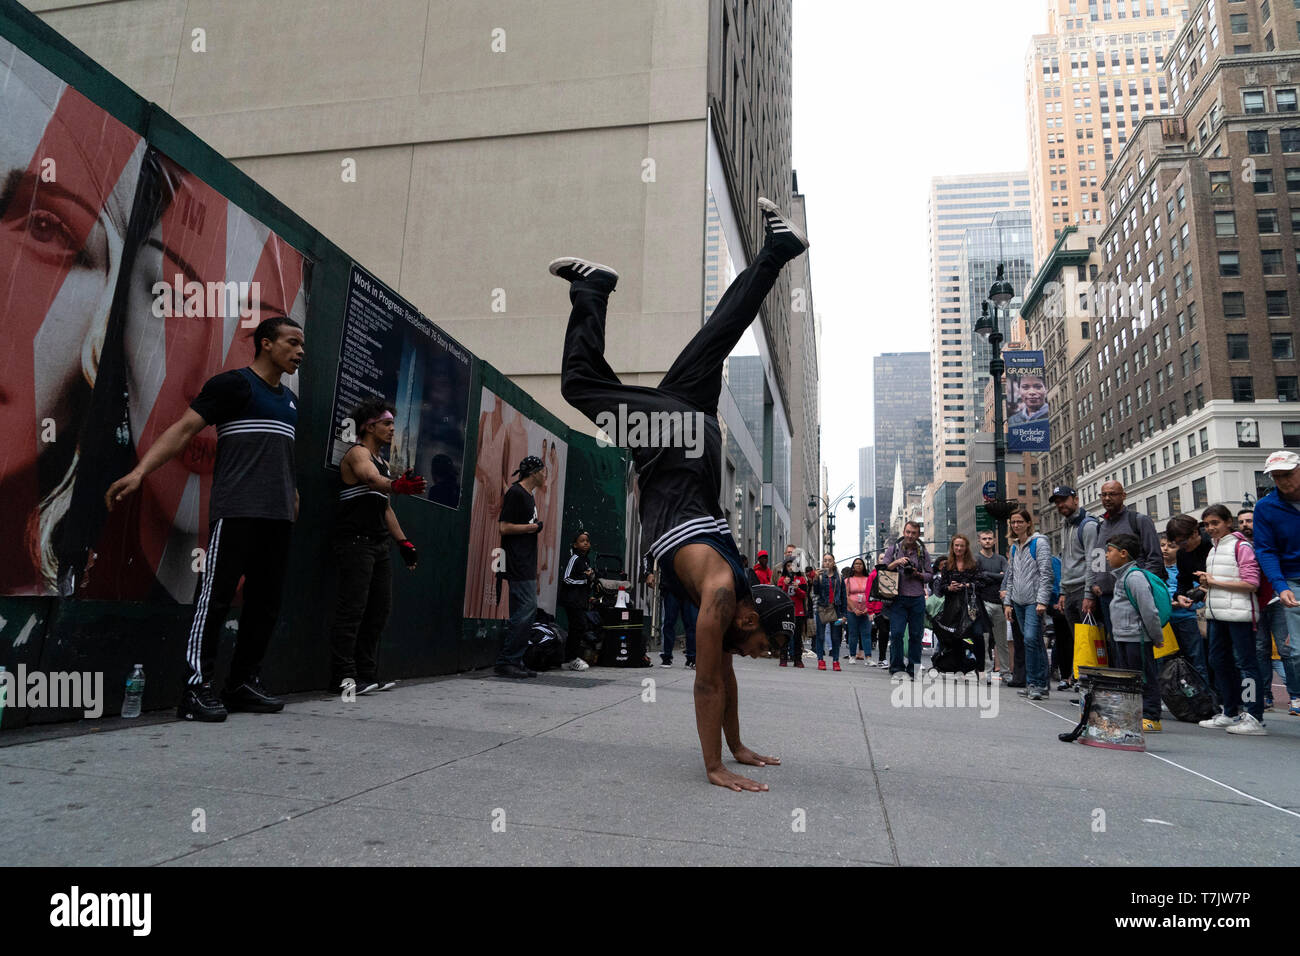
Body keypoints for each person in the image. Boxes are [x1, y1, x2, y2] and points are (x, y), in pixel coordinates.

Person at [555, 196, 803, 791]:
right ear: (747, 616)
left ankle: (778, 251)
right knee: (581, 385)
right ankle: (593, 292)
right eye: (762, 644)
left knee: (718, 333)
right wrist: (715, 766)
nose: (757, 654)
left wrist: (738, 743)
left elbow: (726, 674)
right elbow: (708, 683)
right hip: (673, 446)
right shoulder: (721, 594)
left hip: (690, 439)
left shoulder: (734, 587)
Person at [104, 316, 306, 721]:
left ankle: (244, 683)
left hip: (278, 517)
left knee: (265, 605)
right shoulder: (233, 385)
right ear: (265, 344)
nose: (300, 351)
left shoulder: (290, 402)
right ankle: (195, 689)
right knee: (213, 600)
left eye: (302, 345)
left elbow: (279, 458)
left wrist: (293, 496)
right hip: (236, 512)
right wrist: (140, 472)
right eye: (292, 342)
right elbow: (182, 431)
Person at [328, 398, 425, 696]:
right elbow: (372, 481)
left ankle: (366, 674)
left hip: (378, 546)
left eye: (393, 424)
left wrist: (403, 542)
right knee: (352, 611)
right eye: (387, 424)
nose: (392, 429)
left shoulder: (382, 462)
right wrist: (396, 485)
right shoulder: (357, 453)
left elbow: (385, 508)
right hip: (355, 543)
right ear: (369, 426)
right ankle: (344, 678)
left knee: (379, 611)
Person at [1196, 504, 1267, 735]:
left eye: (1215, 523)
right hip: (1217, 614)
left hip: (1240, 615)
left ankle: (1254, 716)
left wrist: (1213, 582)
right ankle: (1230, 711)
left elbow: (1251, 584)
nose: (1210, 528)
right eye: (1207, 525)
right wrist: (1206, 586)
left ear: (1229, 522)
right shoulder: (1214, 549)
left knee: (1246, 664)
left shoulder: (1241, 546)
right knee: (1218, 661)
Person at [1084, 481, 1164, 657]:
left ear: (1123, 496)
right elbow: (1096, 558)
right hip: (1106, 598)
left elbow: (1155, 558)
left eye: (1112, 494)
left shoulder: (1139, 521)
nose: (1107, 498)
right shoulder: (1100, 525)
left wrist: (1142, 586)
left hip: (1133, 599)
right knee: (1114, 648)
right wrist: (1094, 584)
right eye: (1103, 495)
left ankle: (1145, 684)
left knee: (1137, 651)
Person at [1254, 451, 1300, 716]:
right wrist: (1280, 586)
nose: (1283, 481)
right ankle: (1297, 694)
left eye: (1288, 474)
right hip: (1291, 578)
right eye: (1277, 476)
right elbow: (1265, 550)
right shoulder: (1265, 507)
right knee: (1294, 651)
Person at [1105, 533, 1165, 732]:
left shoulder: (1135, 577)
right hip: (1122, 636)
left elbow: (1148, 610)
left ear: (1123, 554)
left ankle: (1151, 715)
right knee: (1129, 678)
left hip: (1136, 638)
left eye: (1109, 551)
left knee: (1145, 677)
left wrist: (1156, 636)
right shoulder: (1122, 577)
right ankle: (1133, 713)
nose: (1106, 555)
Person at [1051, 486, 1099, 690]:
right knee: (1078, 640)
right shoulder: (1065, 524)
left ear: (1076, 499)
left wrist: (1089, 593)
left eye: (1064, 500)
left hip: (1083, 591)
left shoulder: (1088, 525)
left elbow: (1095, 561)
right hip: (1069, 591)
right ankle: (1082, 682)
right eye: (1057, 501)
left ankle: (1092, 683)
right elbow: (1065, 560)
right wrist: (1062, 591)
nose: (1061, 504)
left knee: (1090, 639)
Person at [1002, 507, 1054, 700]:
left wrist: (1042, 600)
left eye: (1020, 522)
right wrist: (1008, 603)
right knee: (1032, 641)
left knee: (1031, 639)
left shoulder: (1039, 542)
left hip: (1034, 602)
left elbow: (1046, 573)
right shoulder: (1015, 546)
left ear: (1028, 523)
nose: (1016, 525)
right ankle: (1036, 683)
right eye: (1013, 522)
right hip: (1017, 602)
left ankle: (1037, 683)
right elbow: (1011, 577)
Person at [930, 534, 988, 675]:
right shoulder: (948, 566)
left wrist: (968, 585)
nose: (959, 548)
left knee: (977, 635)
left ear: (966, 547)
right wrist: (950, 587)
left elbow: (982, 583)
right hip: (953, 608)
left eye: (962, 545)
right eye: (956, 545)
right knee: (956, 638)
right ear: (952, 547)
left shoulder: (974, 564)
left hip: (972, 607)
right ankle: (961, 668)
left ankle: (980, 669)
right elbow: (940, 588)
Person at [1164, 514, 1212, 684]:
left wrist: (1207, 585)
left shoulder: (1211, 545)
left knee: (1221, 657)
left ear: (1194, 533)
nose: (1182, 547)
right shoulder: (1184, 554)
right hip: (1202, 606)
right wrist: (1180, 595)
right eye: (1178, 544)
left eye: (1183, 542)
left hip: (1220, 606)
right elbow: (1183, 580)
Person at [883, 521, 931, 681]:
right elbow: (882, 568)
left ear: (918, 535)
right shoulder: (893, 549)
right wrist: (896, 562)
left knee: (916, 635)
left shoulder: (923, 552)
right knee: (896, 634)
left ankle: (913, 668)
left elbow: (930, 575)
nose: (910, 536)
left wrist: (917, 574)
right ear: (904, 532)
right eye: (908, 532)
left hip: (917, 598)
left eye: (914, 533)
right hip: (898, 598)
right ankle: (896, 666)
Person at [975, 530, 1011, 680]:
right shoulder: (976, 558)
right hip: (983, 603)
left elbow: (1008, 576)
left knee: (1001, 640)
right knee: (983, 639)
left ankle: (1006, 671)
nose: (987, 541)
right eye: (984, 539)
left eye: (990, 538)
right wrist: (998, 577)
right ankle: (986, 671)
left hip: (999, 604)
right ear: (979, 541)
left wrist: (988, 576)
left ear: (994, 541)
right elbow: (979, 577)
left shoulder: (1001, 558)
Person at [559, 531, 596, 671]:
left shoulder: (586, 560)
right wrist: (584, 579)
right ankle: (571, 658)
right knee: (578, 626)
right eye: (582, 540)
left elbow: (587, 580)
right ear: (575, 545)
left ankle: (568, 660)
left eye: (587, 540)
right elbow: (567, 578)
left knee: (578, 628)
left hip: (580, 601)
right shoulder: (574, 558)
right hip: (571, 600)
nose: (586, 543)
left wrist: (590, 578)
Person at [812, 553, 847, 671]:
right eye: (825, 560)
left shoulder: (840, 577)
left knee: (836, 637)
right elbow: (816, 592)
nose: (827, 562)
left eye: (829, 560)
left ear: (834, 562)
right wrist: (815, 579)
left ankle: (836, 661)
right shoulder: (820, 576)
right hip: (822, 609)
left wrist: (844, 614)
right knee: (820, 636)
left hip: (836, 609)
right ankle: (820, 660)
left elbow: (843, 597)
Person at [776, 558, 808, 667]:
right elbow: (779, 596)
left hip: (798, 611)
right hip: (785, 611)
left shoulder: (802, 579)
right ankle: (783, 658)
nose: (790, 568)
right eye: (788, 566)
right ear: (785, 567)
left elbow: (804, 595)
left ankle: (797, 659)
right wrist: (785, 585)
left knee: (797, 636)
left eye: (793, 565)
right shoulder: (781, 579)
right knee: (784, 635)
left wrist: (797, 589)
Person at [843, 558, 873, 663]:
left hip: (866, 611)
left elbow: (872, 595)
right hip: (852, 611)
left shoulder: (869, 579)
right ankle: (852, 656)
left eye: (860, 564)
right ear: (853, 566)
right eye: (856, 564)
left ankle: (868, 657)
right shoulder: (848, 580)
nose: (858, 565)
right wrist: (854, 609)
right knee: (853, 633)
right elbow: (846, 596)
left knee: (866, 634)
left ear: (864, 566)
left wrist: (868, 608)